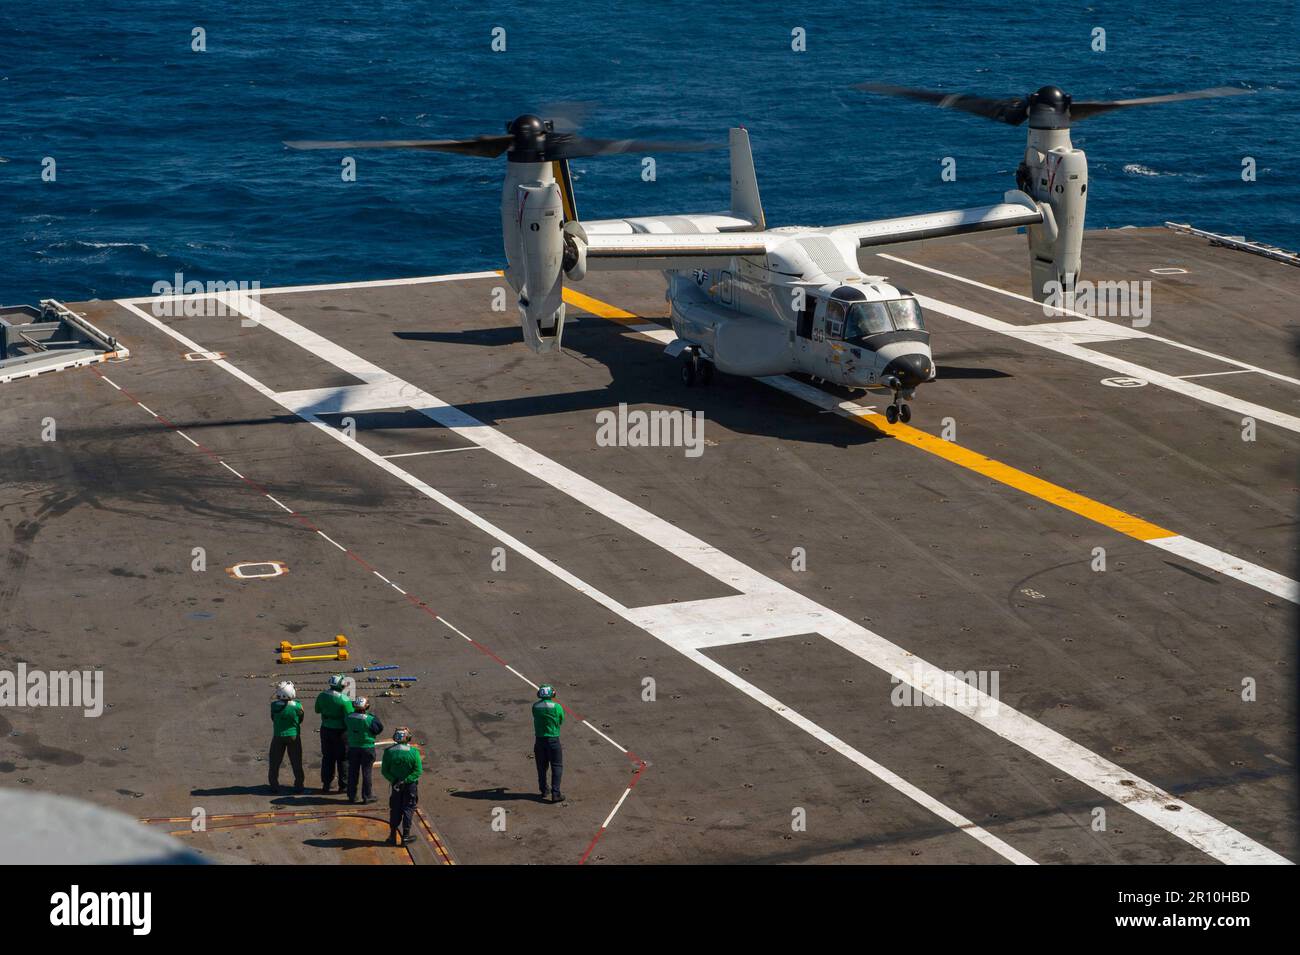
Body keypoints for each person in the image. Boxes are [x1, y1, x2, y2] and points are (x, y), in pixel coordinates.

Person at [381, 727, 423, 846]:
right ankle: (405, 836)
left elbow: (385, 771)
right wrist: (406, 780)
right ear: (407, 738)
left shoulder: (388, 752)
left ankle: (392, 835)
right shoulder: (413, 752)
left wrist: (395, 780)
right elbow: (418, 771)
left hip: (396, 786)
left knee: (395, 809)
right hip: (409, 786)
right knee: (408, 808)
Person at [314, 674, 354, 794]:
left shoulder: (322, 696)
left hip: (326, 729)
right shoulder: (344, 700)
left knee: (327, 757)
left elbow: (317, 710)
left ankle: (326, 784)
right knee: (343, 759)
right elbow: (350, 716)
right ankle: (344, 785)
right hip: (341, 732)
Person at [343, 696, 383, 804]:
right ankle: (367, 795)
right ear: (366, 707)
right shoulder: (370, 719)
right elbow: (378, 728)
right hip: (367, 748)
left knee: (352, 772)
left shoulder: (348, 717)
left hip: (353, 748)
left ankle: (351, 795)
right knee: (366, 772)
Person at [268, 681, 305, 794]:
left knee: (274, 762)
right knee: (296, 762)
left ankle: (274, 785)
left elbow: (273, 718)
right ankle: (299, 785)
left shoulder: (274, 706)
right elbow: (301, 719)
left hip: (278, 736)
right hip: (293, 736)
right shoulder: (297, 706)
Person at [532, 684, 565, 803]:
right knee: (556, 766)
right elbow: (561, 720)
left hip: (539, 740)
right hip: (553, 740)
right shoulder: (557, 706)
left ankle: (544, 789)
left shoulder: (535, 706)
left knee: (541, 766)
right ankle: (556, 793)